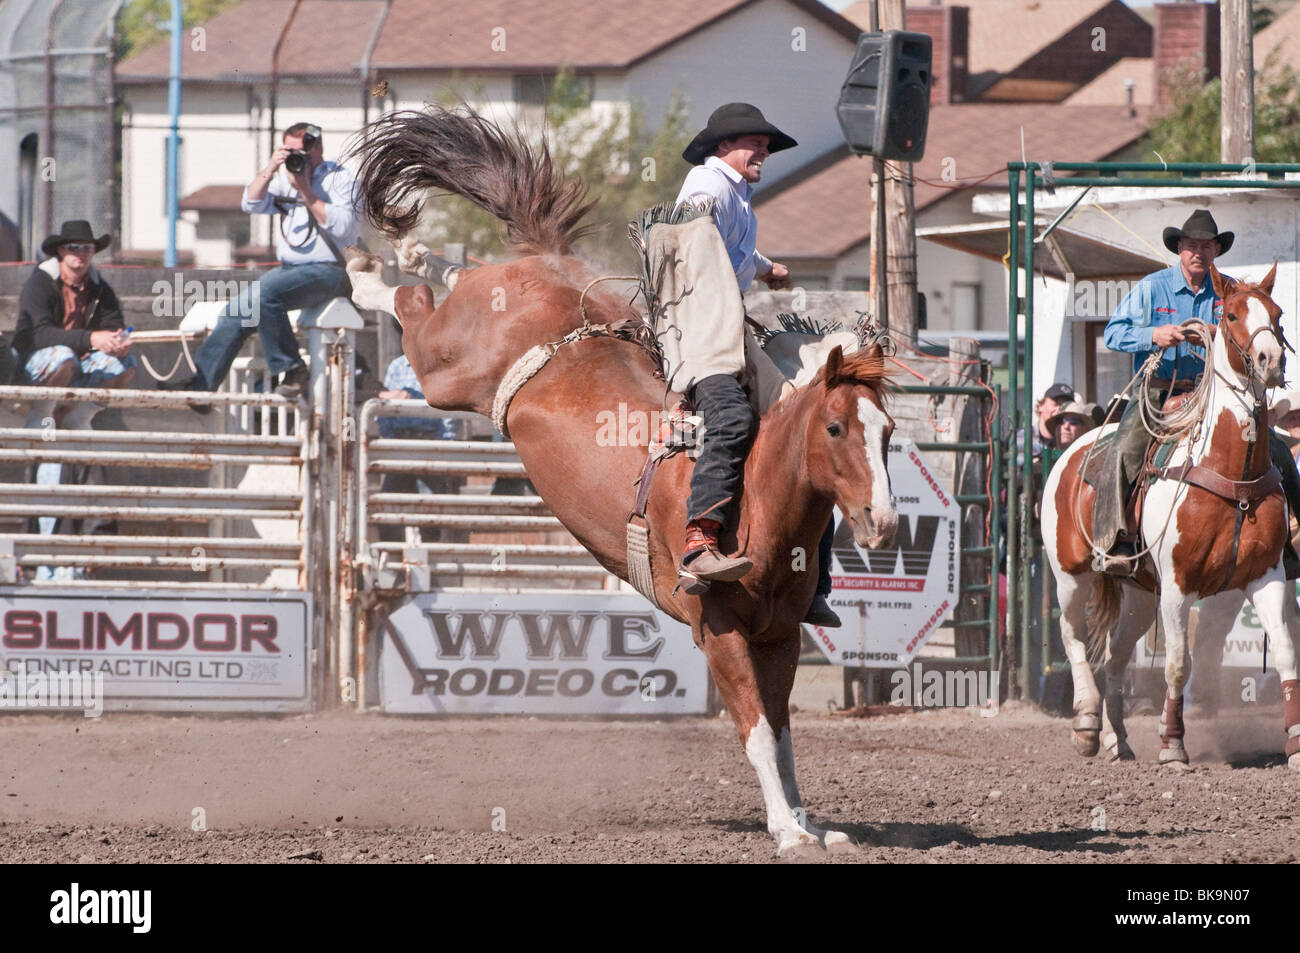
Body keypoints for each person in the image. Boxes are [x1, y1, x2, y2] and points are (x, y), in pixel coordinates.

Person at [670, 103, 842, 625]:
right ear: (723, 146)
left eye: (766, 145)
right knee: (732, 418)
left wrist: (767, 268)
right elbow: (692, 235)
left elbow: (732, 251)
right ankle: (699, 540)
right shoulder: (708, 183)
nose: (764, 151)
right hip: (698, 326)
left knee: (810, 431)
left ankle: (812, 581)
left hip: (724, 324)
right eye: (755, 142)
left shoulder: (737, 195)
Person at [1094, 209, 1300, 573]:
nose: (1199, 253)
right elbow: (1113, 333)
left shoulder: (1232, 292)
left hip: (1214, 394)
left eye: (1207, 246)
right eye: (1192, 245)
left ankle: (1284, 542)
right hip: (1158, 391)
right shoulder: (1153, 287)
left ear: (1216, 251)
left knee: (1278, 452)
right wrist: (1154, 334)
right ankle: (1116, 540)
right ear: (1180, 249)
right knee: (1124, 449)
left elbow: (1251, 332)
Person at [166, 122, 359, 407]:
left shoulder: (339, 179)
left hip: (330, 271)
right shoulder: (284, 179)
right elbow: (251, 203)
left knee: (264, 297)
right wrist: (271, 168)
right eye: (289, 150)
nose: (298, 156)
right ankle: (202, 387)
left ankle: (292, 369)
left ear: (317, 147)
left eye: (302, 149)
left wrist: (305, 188)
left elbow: (342, 226)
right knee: (235, 312)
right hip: (291, 270)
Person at [13, 220, 136, 398]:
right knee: (63, 356)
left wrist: (117, 343)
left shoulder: (101, 288)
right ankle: (43, 415)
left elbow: (113, 324)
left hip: (81, 363)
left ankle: (80, 417)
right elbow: (39, 334)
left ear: (94, 252)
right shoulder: (39, 283)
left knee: (125, 363)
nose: (81, 253)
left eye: (87, 247)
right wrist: (91, 338)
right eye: (73, 247)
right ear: (61, 250)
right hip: (33, 364)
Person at [1034, 382, 1075, 452]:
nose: (1059, 409)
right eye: (1055, 404)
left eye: (1065, 406)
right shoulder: (1021, 438)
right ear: (1040, 406)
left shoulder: (1072, 442)